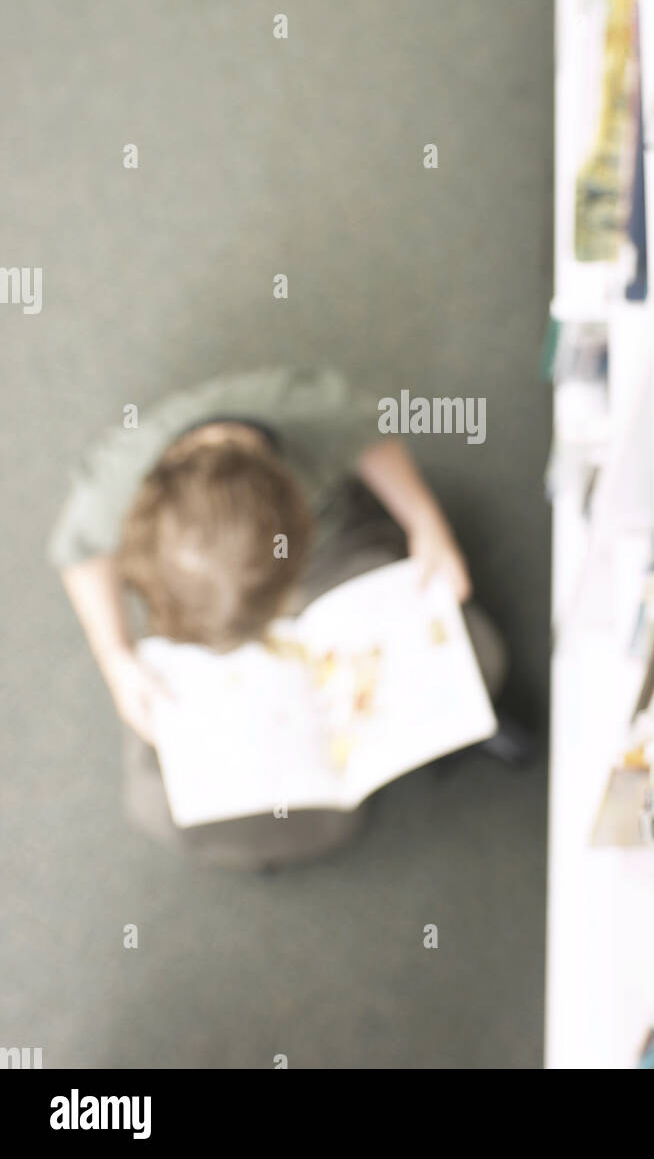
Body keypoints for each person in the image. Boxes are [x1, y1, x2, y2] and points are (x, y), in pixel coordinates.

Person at [49, 367, 508, 868]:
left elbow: (369, 438)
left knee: (471, 656)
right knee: (164, 797)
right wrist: (115, 656)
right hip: (208, 606)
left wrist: (426, 525)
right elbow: (80, 554)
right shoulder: (111, 484)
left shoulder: (313, 410)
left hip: (328, 561)